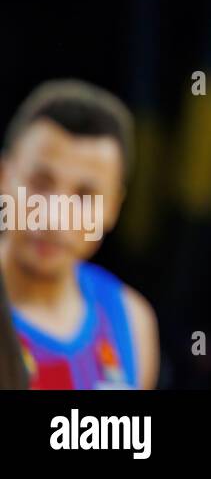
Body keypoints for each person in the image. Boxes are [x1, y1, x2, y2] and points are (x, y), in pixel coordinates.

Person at [0, 80, 159, 388]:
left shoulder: (131, 321)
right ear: (4, 178)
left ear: (113, 207)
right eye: (40, 183)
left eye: (85, 195)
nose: (55, 216)